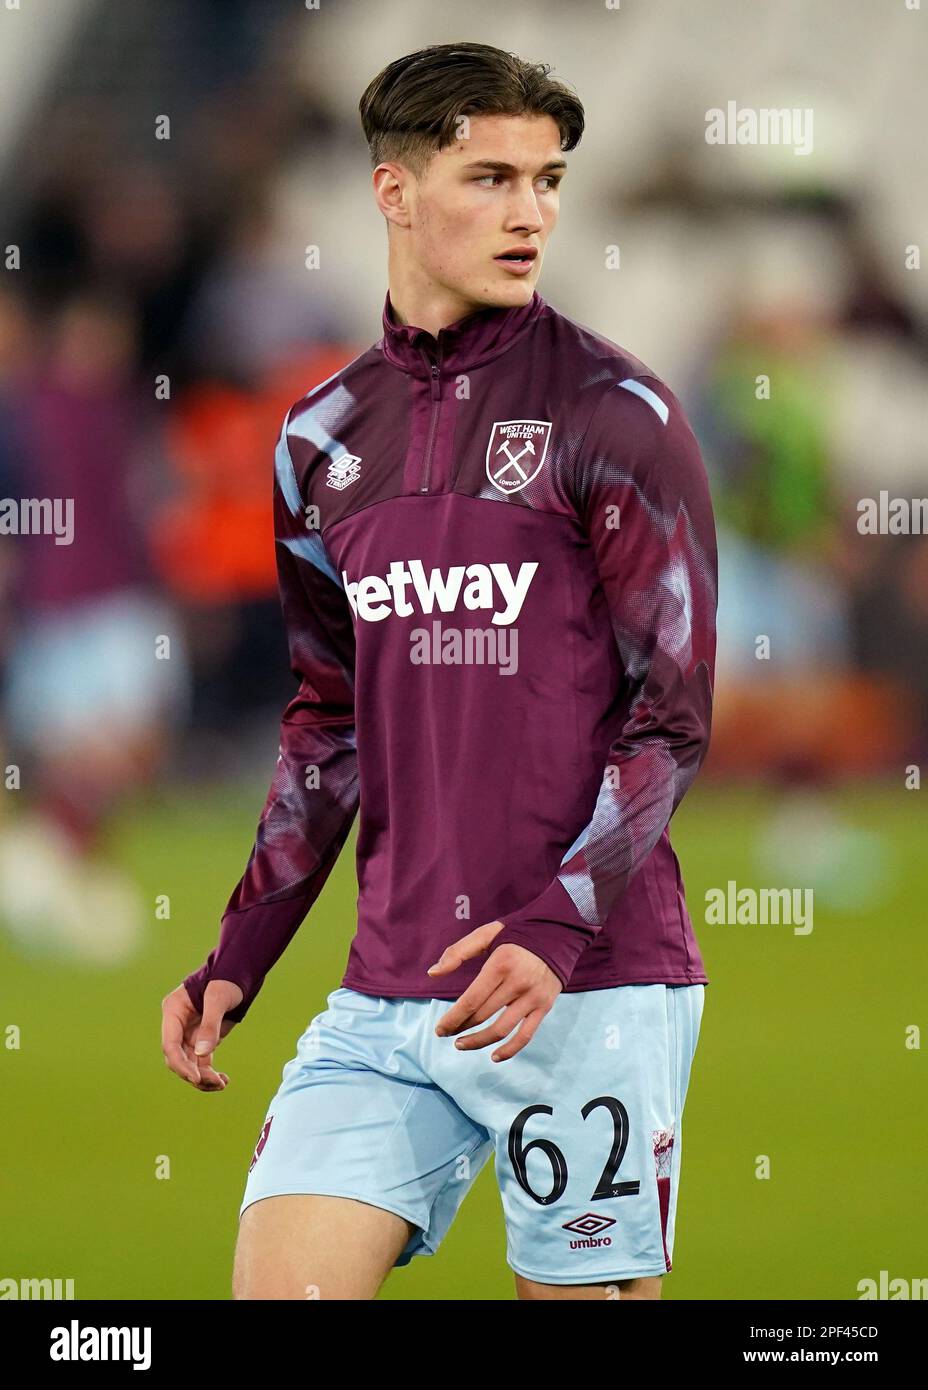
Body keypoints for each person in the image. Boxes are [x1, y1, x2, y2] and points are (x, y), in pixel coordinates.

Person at [162, 42, 718, 1302]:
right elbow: (327, 722)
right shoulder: (317, 440)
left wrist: (555, 925)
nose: (531, 212)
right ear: (393, 193)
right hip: (386, 992)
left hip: (585, 985)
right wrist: (239, 951)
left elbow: (670, 719)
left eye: (548, 178)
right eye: (490, 177)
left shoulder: (617, 412)